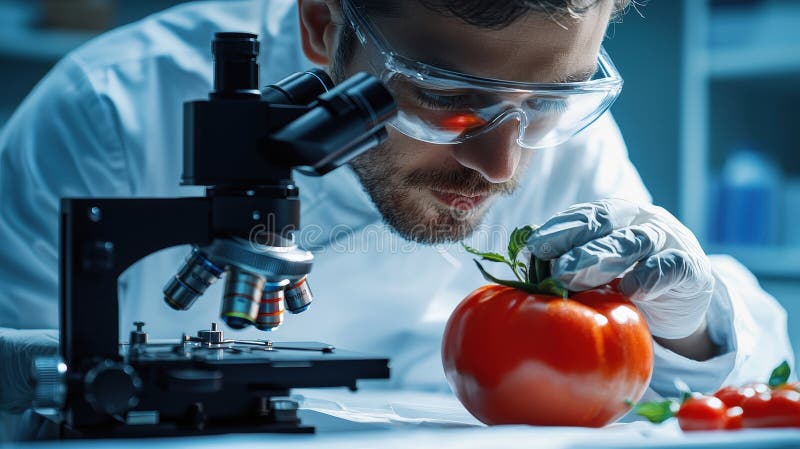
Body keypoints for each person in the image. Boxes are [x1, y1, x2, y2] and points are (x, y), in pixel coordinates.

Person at [0, 0, 792, 432]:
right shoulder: (107, 110)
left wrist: (692, 321)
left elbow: (730, 375)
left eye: (550, 104)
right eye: (446, 97)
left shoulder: (565, 141)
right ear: (321, 25)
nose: (505, 165)